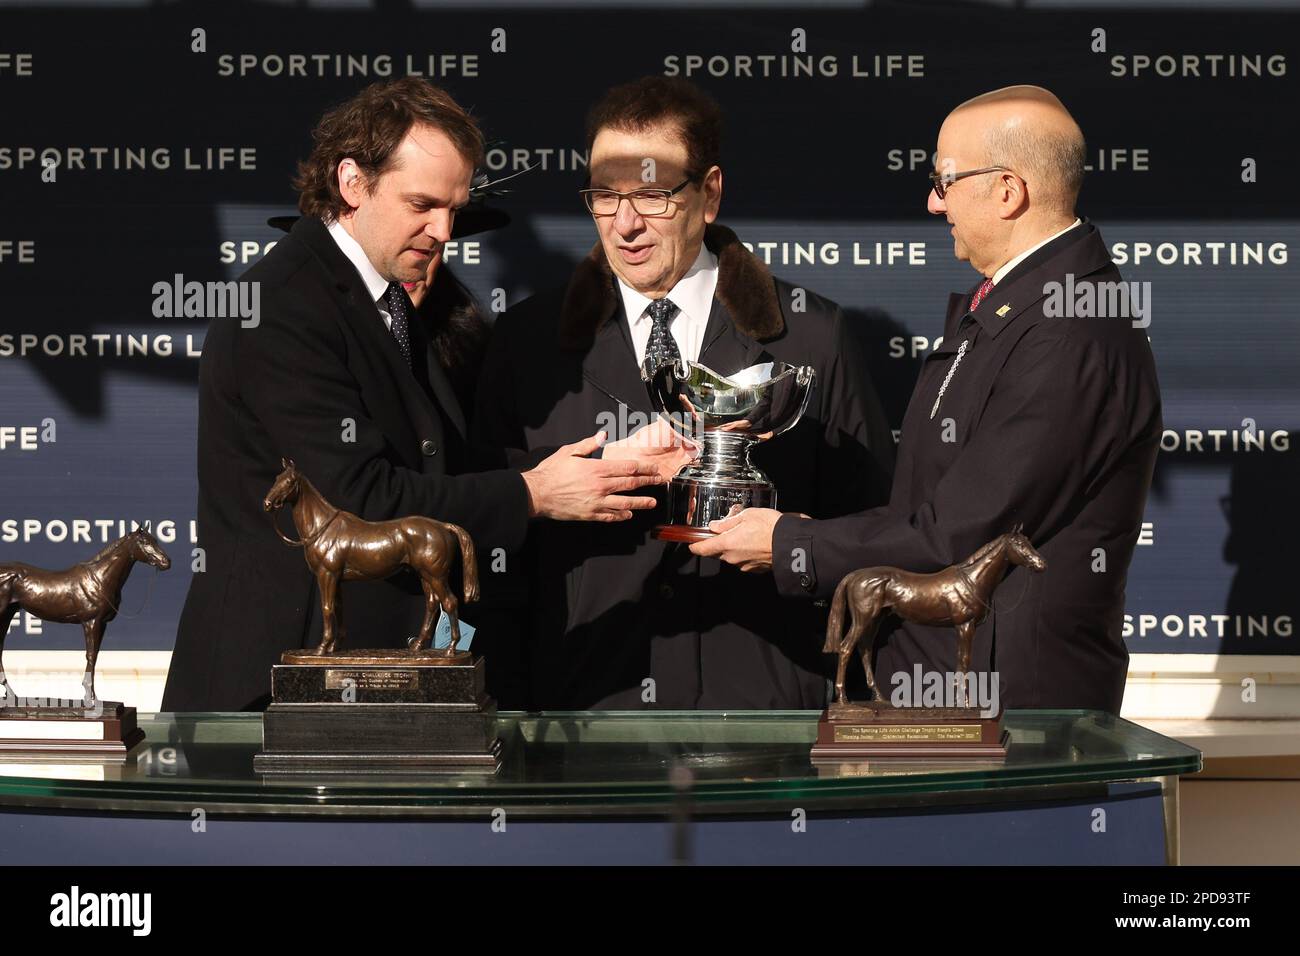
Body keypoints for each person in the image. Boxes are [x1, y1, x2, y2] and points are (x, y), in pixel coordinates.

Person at [164, 78, 662, 712]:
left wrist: (592, 471)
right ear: (352, 183)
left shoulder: (383, 298)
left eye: (454, 208)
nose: (443, 231)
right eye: (423, 203)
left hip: (370, 686)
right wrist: (534, 493)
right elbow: (364, 499)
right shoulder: (281, 308)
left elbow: (435, 467)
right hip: (275, 699)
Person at [694, 86, 1162, 714]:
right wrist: (800, 532)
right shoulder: (1019, 309)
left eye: (944, 180)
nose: (932, 202)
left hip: (1009, 722)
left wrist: (789, 544)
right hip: (955, 702)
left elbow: (955, 535)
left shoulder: (1068, 331)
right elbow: (933, 510)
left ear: (1007, 190)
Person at [475, 76, 895, 710]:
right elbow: (490, 544)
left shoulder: (812, 333)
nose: (626, 224)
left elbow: (874, 532)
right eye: (605, 196)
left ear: (710, 194)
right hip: (587, 710)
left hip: (769, 710)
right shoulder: (526, 340)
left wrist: (796, 545)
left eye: (652, 195)